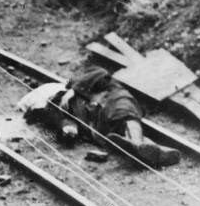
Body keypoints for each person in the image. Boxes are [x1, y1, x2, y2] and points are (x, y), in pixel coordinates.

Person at [17, 69, 180, 168]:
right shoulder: (47, 106)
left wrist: (72, 90)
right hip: (93, 121)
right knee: (117, 123)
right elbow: (57, 118)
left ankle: (140, 145)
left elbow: (100, 73)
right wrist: (68, 126)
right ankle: (151, 149)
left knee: (121, 107)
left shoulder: (60, 90)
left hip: (100, 108)